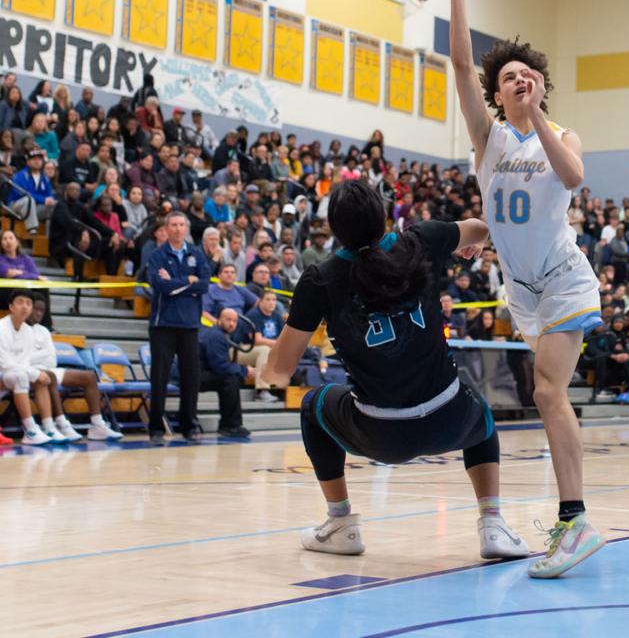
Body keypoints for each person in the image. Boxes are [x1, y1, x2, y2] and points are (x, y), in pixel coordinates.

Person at [432, 0, 605, 578]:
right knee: (549, 395)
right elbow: (459, 63)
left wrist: (540, 121)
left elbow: (574, 178)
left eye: (529, 75)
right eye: (509, 77)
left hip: (563, 277)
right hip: (522, 288)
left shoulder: (561, 135)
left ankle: (576, 520)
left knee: (547, 391)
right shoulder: (488, 138)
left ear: (541, 87)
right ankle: (572, 519)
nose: (520, 80)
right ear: (496, 92)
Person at [258, 180, 529, 561]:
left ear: (334, 229)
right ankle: (493, 524)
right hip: (449, 419)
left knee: (312, 406)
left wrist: (267, 368)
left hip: (380, 433)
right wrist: (474, 243)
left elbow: (280, 373)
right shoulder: (422, 240)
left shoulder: (321, 278)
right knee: (480, 411)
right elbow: (479, 227)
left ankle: (340, 523)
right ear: (384, 216)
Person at [22, 293, 124, 441]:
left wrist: (36, 355)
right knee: (49, 376)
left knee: (89, 376)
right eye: (35, 309)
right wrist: (42, 354)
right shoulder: (19, 329)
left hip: (48, 369)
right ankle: (61, 424)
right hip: (29, 371)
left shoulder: (44, 330)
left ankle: (97, 425)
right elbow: (23, 359)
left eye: (41, 310)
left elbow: (52, 360)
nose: (38, 313)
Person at [145, 211, 210, 443]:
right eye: (173, 225)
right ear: (166, 228)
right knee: (159, 377)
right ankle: (155, 428)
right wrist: (188, 281)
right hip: (163, 325)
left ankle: (189, 425)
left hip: (190, 325)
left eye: (181, 225)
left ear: (187, 228)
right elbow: (160, 286)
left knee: (191, 377)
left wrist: (174, 282)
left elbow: (204, 285)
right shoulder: (157, 255)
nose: (177, 229)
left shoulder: (196, 254)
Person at [0, 291, 63, 445]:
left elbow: (25, 362)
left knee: (37, 378)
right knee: (25, 376)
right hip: (4, 372)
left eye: (28, 303)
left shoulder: (28, 331)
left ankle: (49, 427)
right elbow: (4, 362)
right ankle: (30, 430)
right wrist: (34, 373)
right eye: (20, 302)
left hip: (10, 375)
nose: (24, 306)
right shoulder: (1, 327)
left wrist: (34, 374)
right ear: (11, 307)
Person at [198, 308, 252, 438]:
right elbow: (220, 367)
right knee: (230, 379)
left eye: (235, 321)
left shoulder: (219, 334)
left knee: (230, 377)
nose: (232, 324)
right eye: (228, 320)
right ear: (219, 320)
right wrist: (245, 370)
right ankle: (231, 425)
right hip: (192, 376)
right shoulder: (216, 336)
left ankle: (229, 424)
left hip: (199, 373)